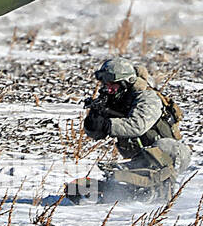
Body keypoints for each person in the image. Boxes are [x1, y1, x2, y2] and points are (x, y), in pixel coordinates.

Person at [81, 56, 191, 200]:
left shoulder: (147, 97)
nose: (108, 88)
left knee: (164, 146)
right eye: (105, 83)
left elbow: (137, 125)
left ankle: (162, 192)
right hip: (140, 160)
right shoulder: (114, 98)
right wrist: (94, 118)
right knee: (92, 185)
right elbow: (96, 133)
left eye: (112, 84)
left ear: (125, 83)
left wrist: (107, 124)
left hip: (170, 156)